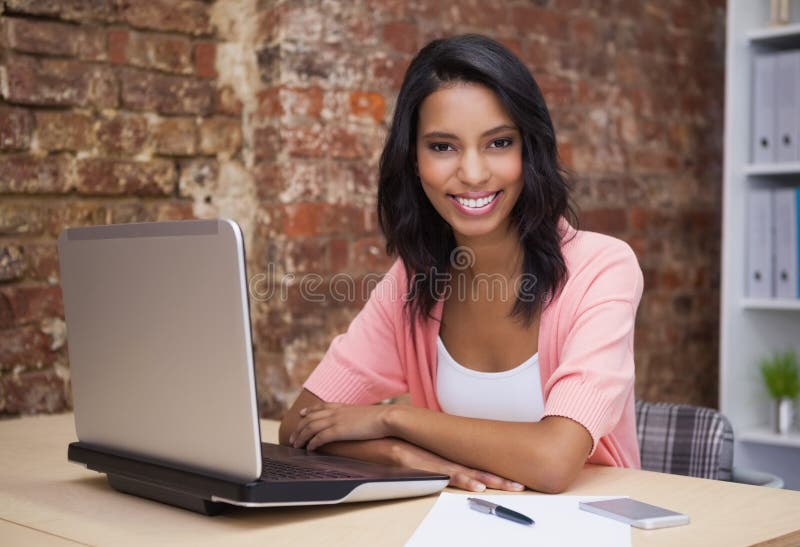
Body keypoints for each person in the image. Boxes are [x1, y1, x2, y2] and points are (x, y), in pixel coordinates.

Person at [278, 34, 643, 494]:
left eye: (499, 143)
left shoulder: (602, 269)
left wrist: (395, 419)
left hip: (588, 522)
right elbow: (298, 426)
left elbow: (553, 460)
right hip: (460, 522)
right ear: (413, 160)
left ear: (529, 149)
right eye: (443, 147)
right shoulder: (415, 280)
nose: (472, 173)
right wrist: (400, 456)